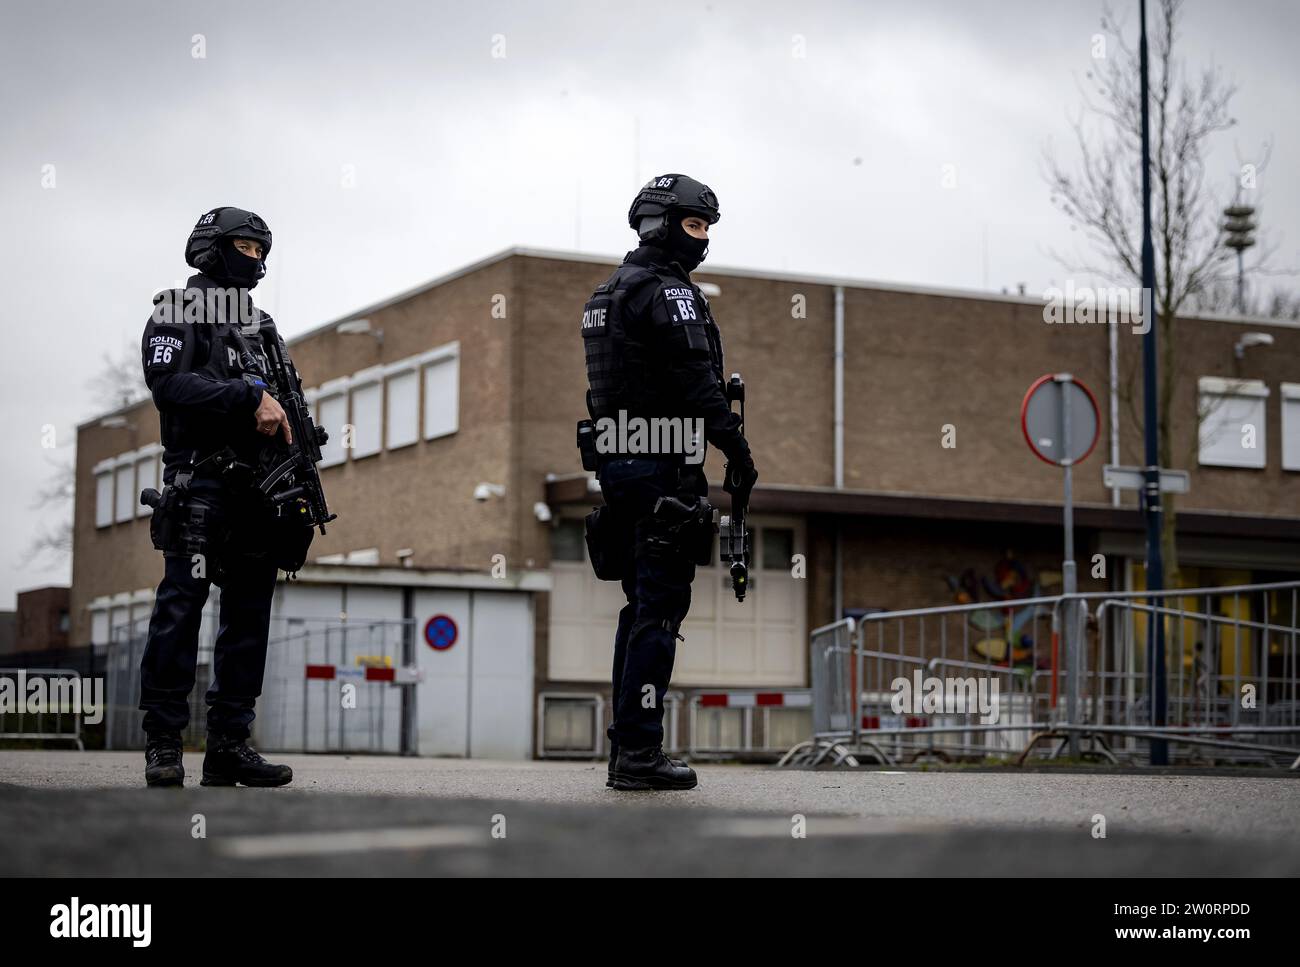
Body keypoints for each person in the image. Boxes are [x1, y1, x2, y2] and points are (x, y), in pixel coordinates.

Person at [581, 174, 758, 791]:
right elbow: (695, 382)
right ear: (658, 223)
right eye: (693, 224)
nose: (702, 239)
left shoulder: (607, 292)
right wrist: (736, 449)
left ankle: (627, 748)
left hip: (621, 465)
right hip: (661, 470)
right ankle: (638, 753)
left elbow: (609, 392)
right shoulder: (667, 292)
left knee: (639, 610)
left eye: (708, 226)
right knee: (659, 610)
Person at [137, 206, 298, 789]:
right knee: (181, 607)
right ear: (211, 248)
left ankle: (229, 744)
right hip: (199, 483)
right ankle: (163, 743)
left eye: (262, 250)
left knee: (250, 615)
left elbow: (282, 398)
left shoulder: (263, 325)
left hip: (260, 490)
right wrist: (245, 397)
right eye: (246, 247)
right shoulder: (176, 308)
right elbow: (168, 385)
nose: (256, 260)